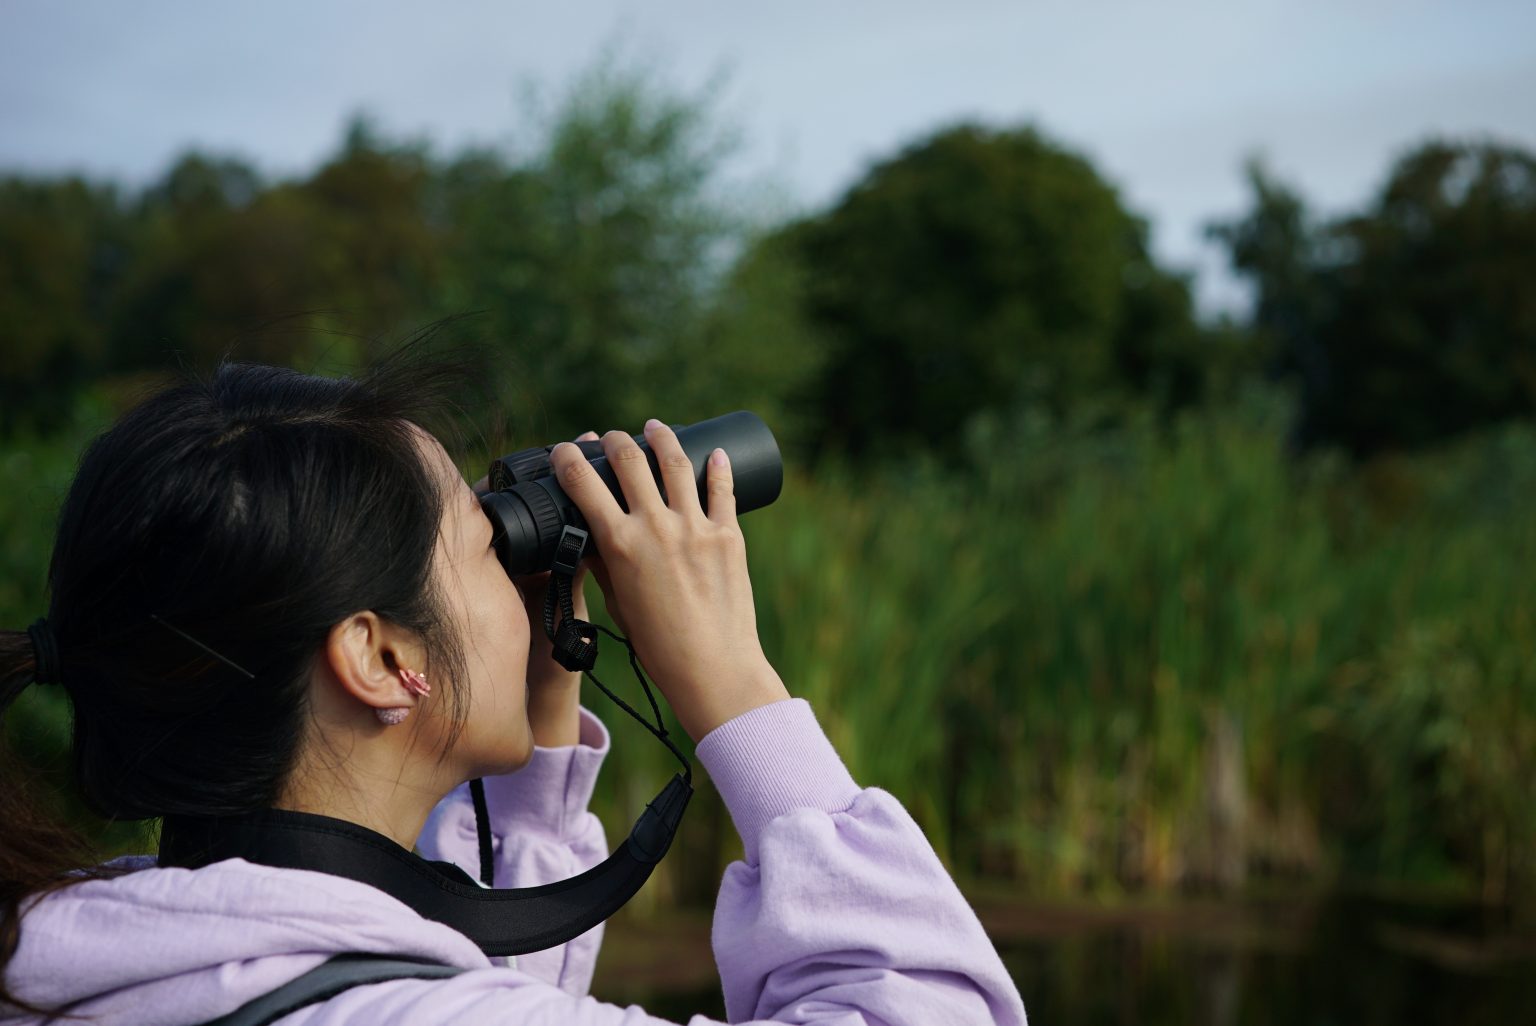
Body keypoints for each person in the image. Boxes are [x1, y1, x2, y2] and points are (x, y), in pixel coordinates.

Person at [0, 346, 1026, 1025]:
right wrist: (732, 682)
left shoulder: (88, 954)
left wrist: (537, 717)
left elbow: (457, 982)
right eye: (482, 542)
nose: (517, 570)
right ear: (382, 659)